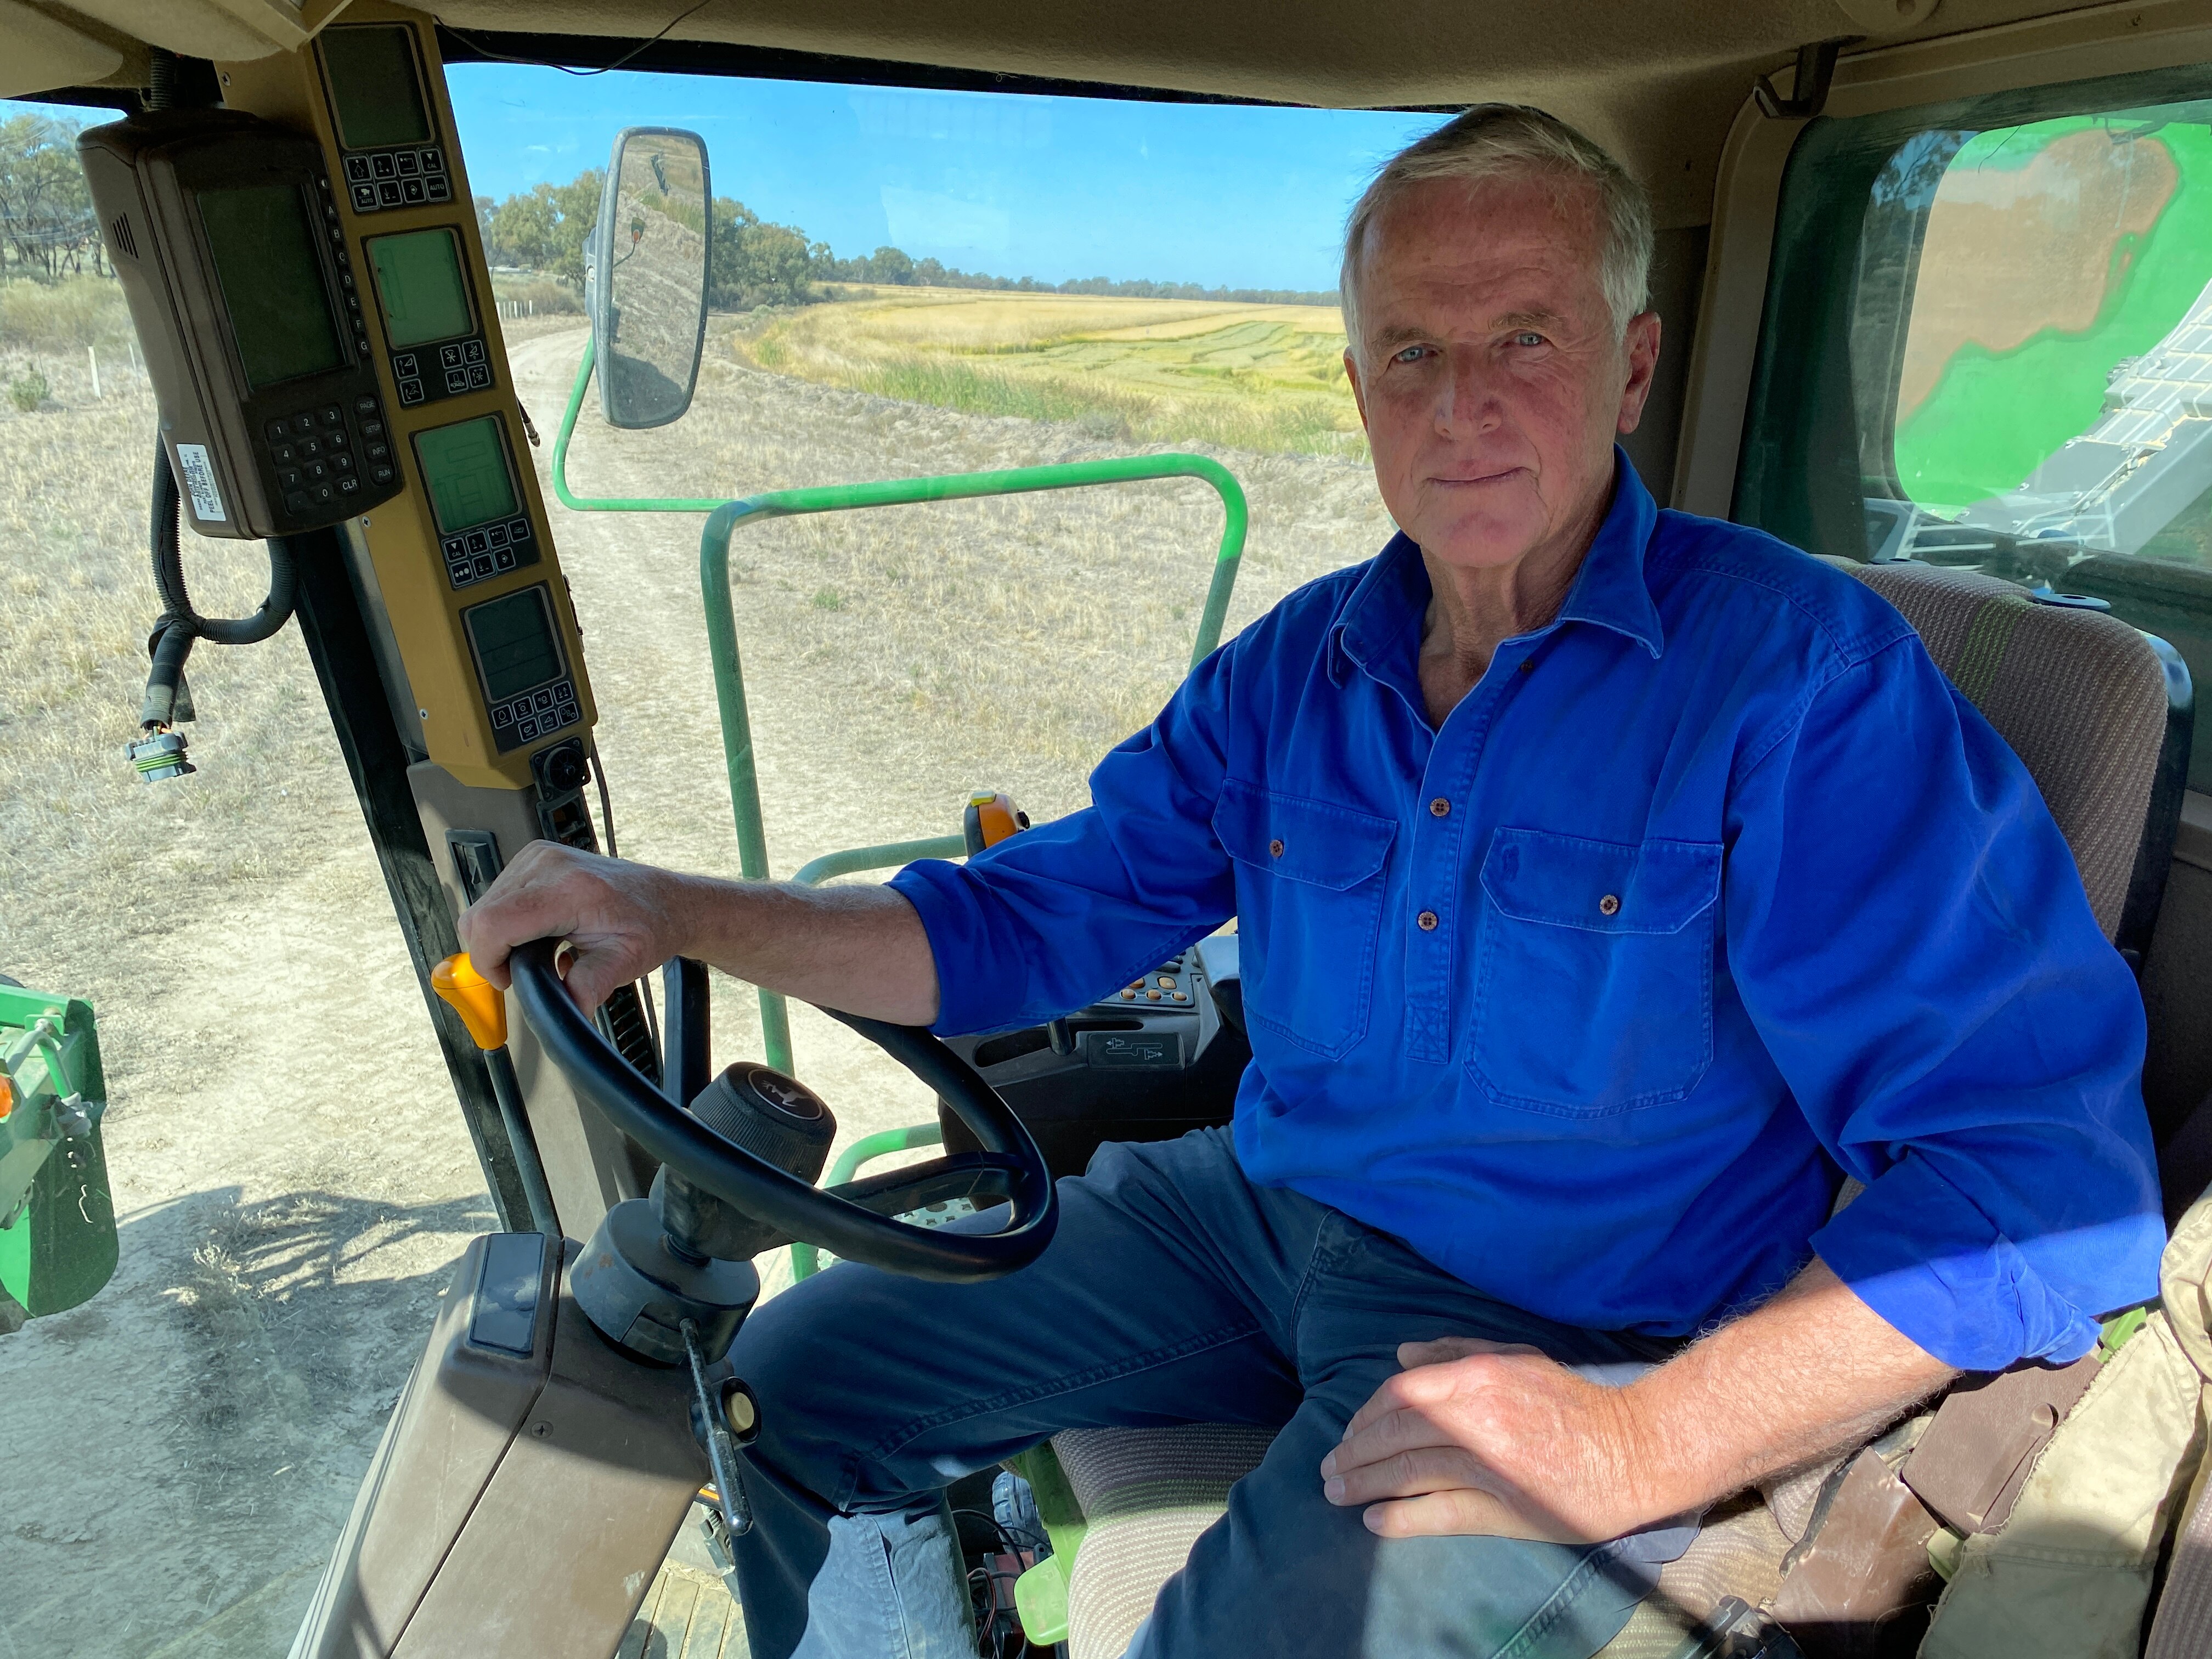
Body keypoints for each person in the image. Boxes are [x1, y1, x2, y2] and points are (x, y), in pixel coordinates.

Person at [460, 105, 2164, 1659]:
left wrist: (1645, 1435)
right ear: (1354, 389)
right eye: (1408, 351)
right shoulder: (1298, 671)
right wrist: (674, 911)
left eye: (1524, 339)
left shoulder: (1800, 687)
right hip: (1248, 1217)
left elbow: (2037, 1181)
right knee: (778, 1390)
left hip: (1566, 1320)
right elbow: (1026, 919)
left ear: (1635, 368)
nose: (1460, 402)